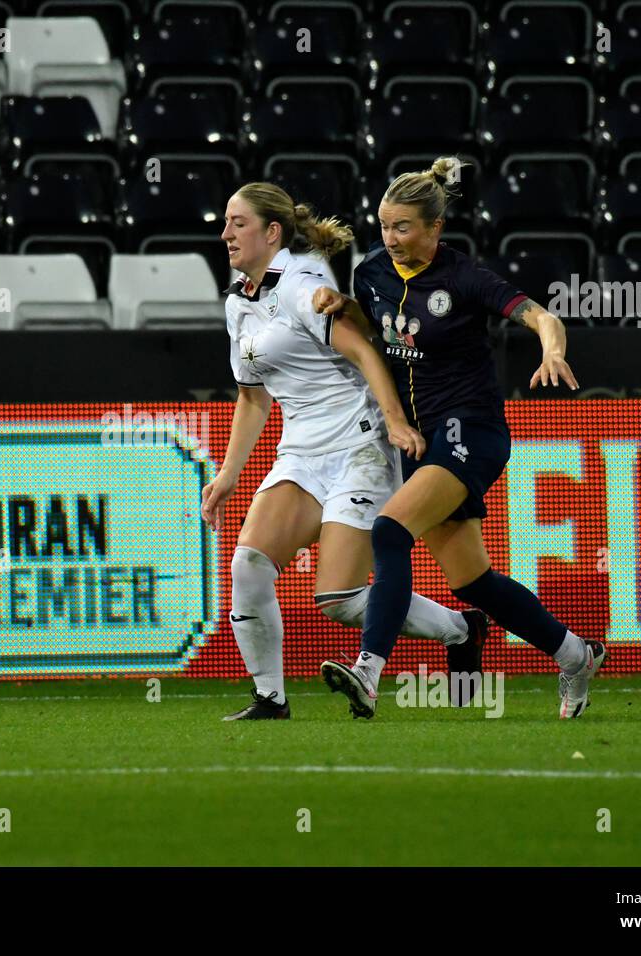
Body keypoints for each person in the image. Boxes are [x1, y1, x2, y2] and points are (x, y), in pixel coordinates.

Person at [313, 157, 606, 720]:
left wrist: (552, 347)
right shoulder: (370, 272)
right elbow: (376, 326)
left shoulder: (464, 277)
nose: (391, 238)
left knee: (391, 531)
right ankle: (577, 655)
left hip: (472, 431)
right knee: (472, 581)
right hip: (421, 443)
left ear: (434, 228)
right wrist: (341, 306)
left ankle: (368, 673)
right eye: (383, 225)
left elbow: (540, 316)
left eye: (404, 227)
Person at [203, 182, 488, 721]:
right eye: (225, 222)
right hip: (302, 451)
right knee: (249, 566)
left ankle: (460, 628)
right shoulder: (239, 301)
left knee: (340, 599)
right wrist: (228, 476)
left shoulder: (301, 284)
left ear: (271, 232)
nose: (225, 234)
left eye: (237, 223)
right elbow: (251, 396)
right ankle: (270, 699)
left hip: (361, 443)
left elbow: (362, 351)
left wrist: (397, 422)